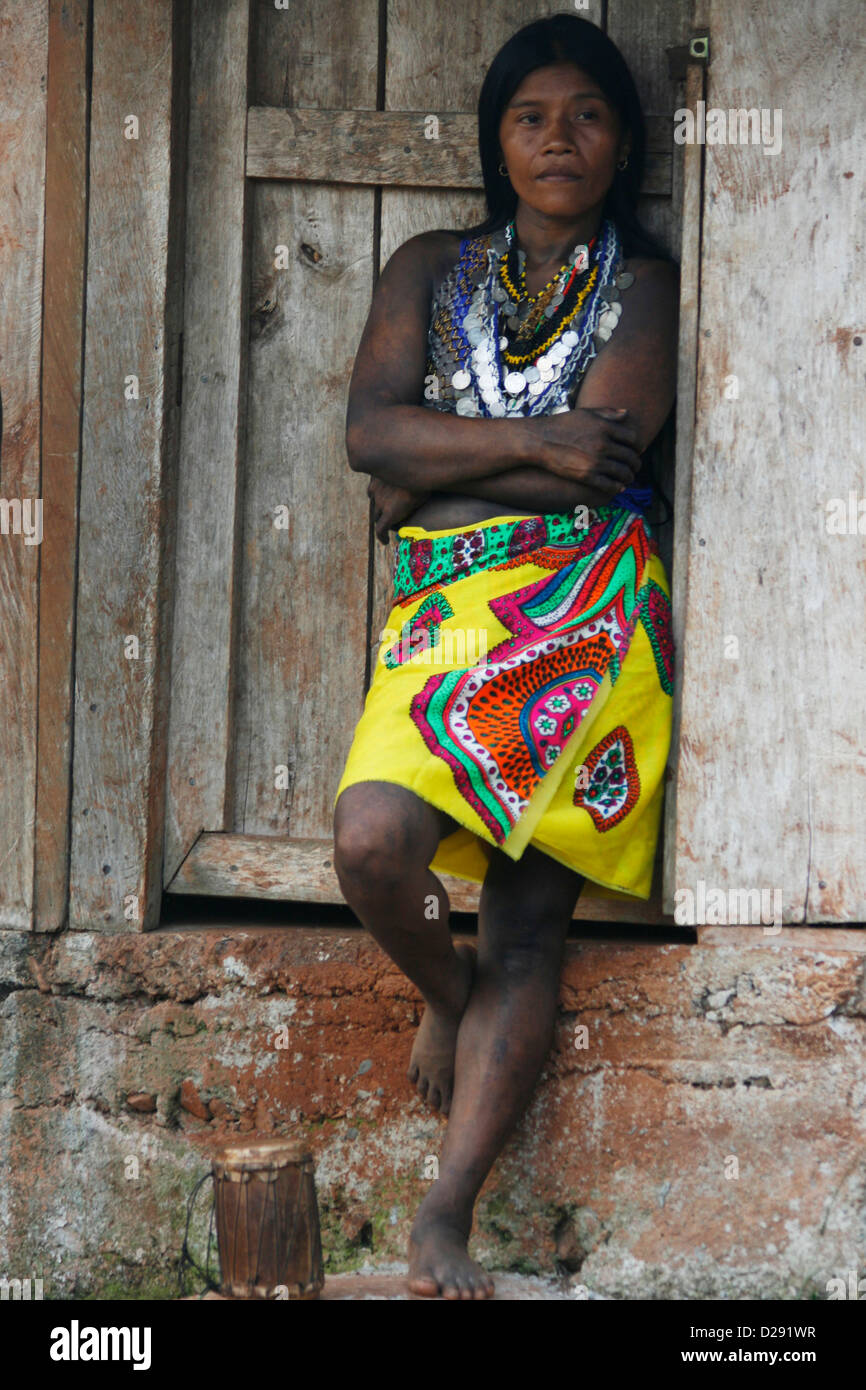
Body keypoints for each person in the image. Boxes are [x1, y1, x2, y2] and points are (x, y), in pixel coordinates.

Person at [332, 12, 678, 1300]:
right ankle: (445, 978)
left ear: (623, 140)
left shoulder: (647, 285)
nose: (558, 138)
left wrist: (443, 471)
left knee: (534, 930)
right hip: (440, 623)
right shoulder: (429, 263)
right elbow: (371, 433)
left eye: (586, 114)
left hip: (586, 619)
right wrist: (541, 448)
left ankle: (445, 1217)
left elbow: (613, 466)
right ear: (495, 137)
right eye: (531, 115)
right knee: (375, 846)